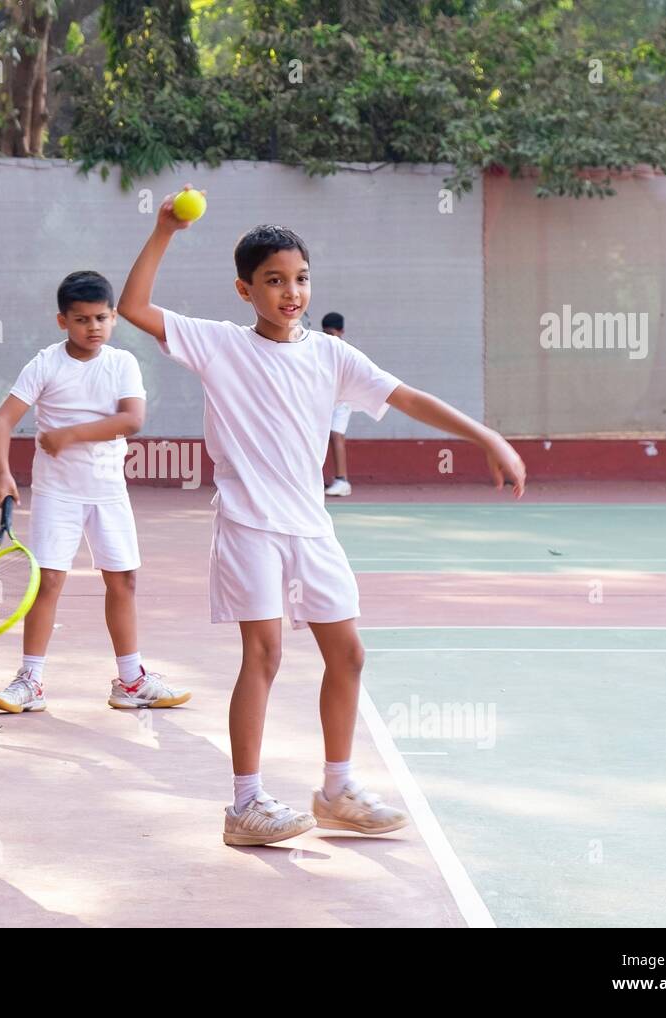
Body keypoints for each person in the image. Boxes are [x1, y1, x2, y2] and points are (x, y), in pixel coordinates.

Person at [117, 187, 527, 846]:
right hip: (250, 525)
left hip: (311, 527)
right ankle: (244, 806)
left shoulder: (330, 355)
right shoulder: (219, 345)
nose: (291, 292)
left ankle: (336, 791)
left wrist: (485, 437)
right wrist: (164, 229)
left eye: (301, 278)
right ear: (244, 289)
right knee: (265, 653)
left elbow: (408, 396)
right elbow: (132, 307)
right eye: (274, 281)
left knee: (349, 654)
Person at [0, 270, 190, 713]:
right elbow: (2, 420)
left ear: (114, 317)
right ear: (63, 321)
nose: (93, 327)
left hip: (108, 492)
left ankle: (131, 681)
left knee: (124, 580)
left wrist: (70, 434)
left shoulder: (122, 364)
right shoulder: (45, 363)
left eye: (101, 318)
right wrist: (2, 474)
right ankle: (30, 680)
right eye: (81, 320)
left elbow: (132, 420)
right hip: (57, 493)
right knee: (49, 582)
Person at [320, 312, 353, 496]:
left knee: (336, 435)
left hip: (343, 399)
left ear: (341, 332)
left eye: (331, 334)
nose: (328, 337)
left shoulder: (344, 351)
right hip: (326, 400)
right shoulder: (321, 349)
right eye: (325, 333)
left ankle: (342, 481)